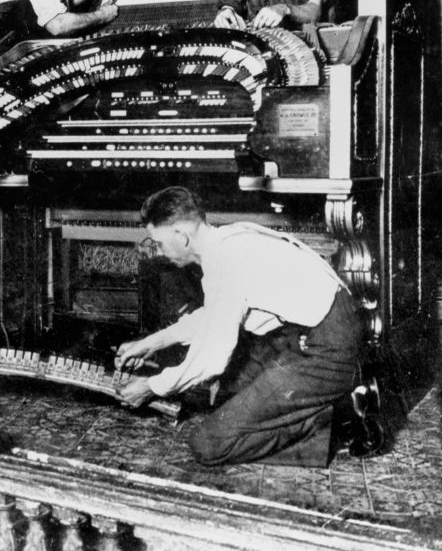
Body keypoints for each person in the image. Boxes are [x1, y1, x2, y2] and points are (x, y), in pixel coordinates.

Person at [115, 187, 361, 467]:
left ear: (181, 236)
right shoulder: (226, 242)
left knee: (208, 445)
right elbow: (215, 315)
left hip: (325, 349)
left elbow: (211, 358)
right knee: (227, 402)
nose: (157, 251)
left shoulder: (224, 261)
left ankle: (329, 419)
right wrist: (153, 342)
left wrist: (152, 386)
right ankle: (319, 402)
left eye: (158, 243)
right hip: (309, 334)